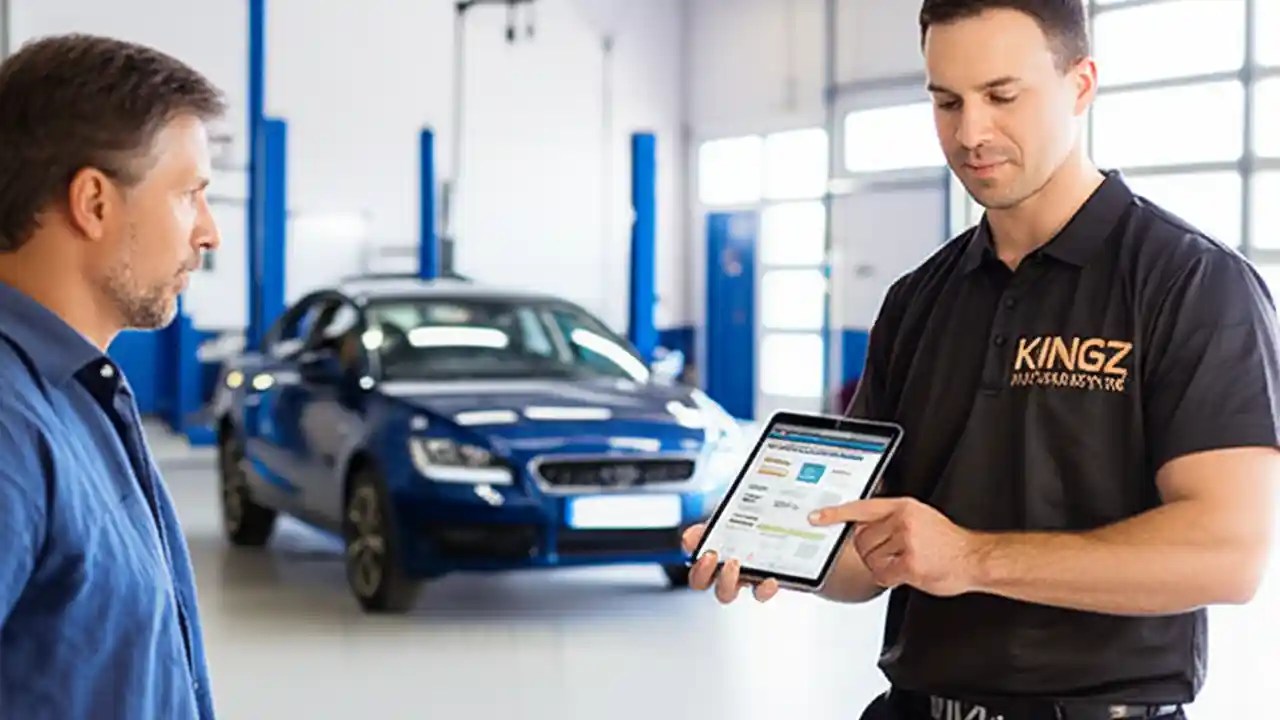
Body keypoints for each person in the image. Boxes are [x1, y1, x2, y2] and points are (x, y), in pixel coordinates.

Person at [682, 1, 1280, 718]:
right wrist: (773, 545)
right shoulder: (918, 301)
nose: (971, 133)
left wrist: (969, 558)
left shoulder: (1191, 284)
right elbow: (868, 557)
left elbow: (1226, 554)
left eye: (1002, 96)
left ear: (1081, 85)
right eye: (946, 101)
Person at [0, 34, 224, 719]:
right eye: (189, 195)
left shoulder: (76, 393)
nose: (209, 232)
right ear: (93, 202)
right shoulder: (9, 427)